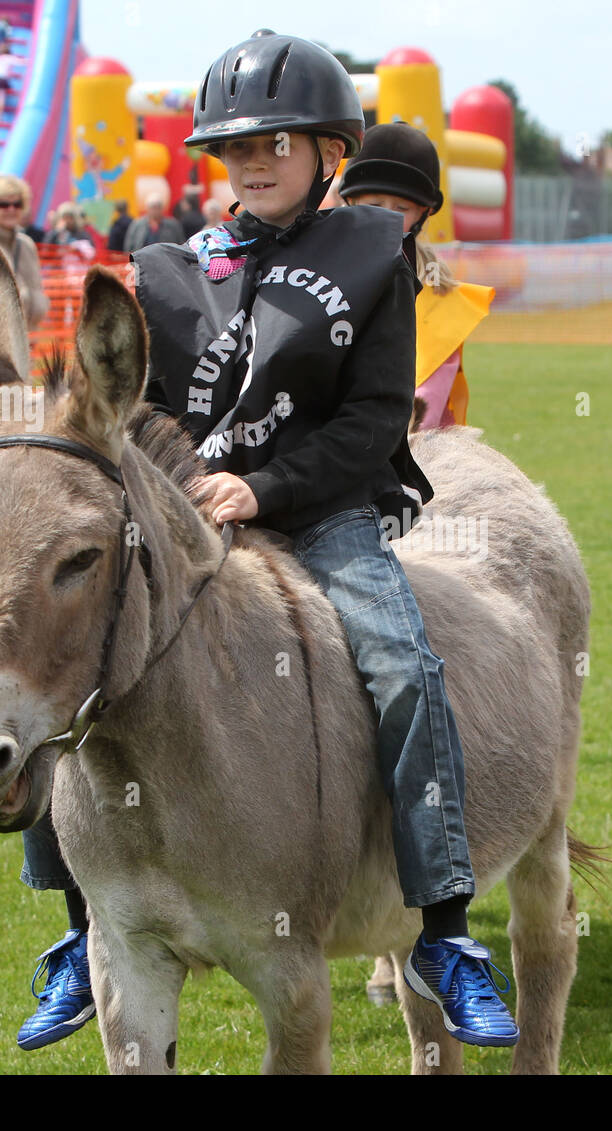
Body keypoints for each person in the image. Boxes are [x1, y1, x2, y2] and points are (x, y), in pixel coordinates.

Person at [130, 28, 517, 1047]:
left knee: (402, 666)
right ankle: (78, 921)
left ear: (328, 151)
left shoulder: (374, 255)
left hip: (328, 514)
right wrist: (185, 486)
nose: (253, 163)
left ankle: (443, 927)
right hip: (196, 516)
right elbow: (150, 406)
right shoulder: (173, 269)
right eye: (234, 148)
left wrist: (263, 487)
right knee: (74, 630)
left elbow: (375, 423)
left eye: (279, 142)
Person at [339, 121, 494, 430]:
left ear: (423, 213)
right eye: (374, 204)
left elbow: (425, 405)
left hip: (410, 453)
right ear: (352, 202)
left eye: (401, 208)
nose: (386, 216)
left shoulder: (440, 301)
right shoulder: (321, 273)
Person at [0, 175, 48, 328]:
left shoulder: (26, 245)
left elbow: (37, 293)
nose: (11, 209)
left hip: (26, 340)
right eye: (3, 204)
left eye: (17, 204)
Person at [0, 40, 22, 119]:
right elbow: (20, 62)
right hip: (1, 78)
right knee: (1, 96)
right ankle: (0, 116)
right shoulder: (8, 57)